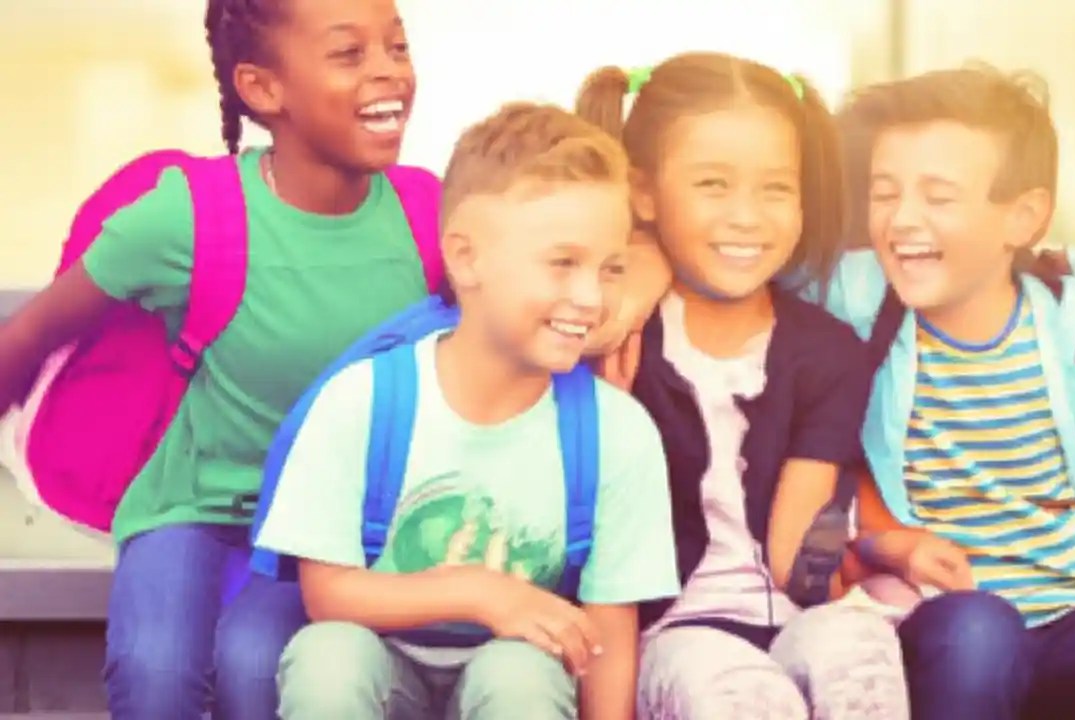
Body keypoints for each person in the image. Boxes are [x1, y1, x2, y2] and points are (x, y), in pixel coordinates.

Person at [0, 1, 667, 717]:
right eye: (350, 54)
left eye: (397, 48)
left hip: (342, 520)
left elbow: (538, 261)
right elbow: (32, 334)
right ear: (262, 88)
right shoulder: (189, 216)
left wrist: (644, 276)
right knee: (153, 668)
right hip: (201, 505)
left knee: (257, 665)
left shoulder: (425, 215)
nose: (388, 71)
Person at [255, 101, 680, 720]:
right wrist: (481, 593)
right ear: (464, 258)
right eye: (563, 263)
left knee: (519, 676)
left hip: (514, 675)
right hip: (382, 663)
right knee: (328, 658)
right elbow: (326, 594)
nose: (592, 298)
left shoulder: (617, 433)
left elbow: (608, 634)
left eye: (611, 268)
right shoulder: (364, 402)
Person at [817, 65, 1075, 720]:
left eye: (939, 196)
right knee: (979, 634)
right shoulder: (855, 302)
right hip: (947, 613)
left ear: (1023, 217)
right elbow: (744, 269)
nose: (901, 219)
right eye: (884, 193)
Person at [577, 52, 909, 720]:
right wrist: (636, 265)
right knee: (746, 697)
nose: (747, 217)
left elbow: (793, 552)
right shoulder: (614, 334)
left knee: (859, 653)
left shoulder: (828, 352)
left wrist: (872, 564)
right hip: (673, 631)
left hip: (792, 614)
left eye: (776, 189)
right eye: (713, 185)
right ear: (643, 193)